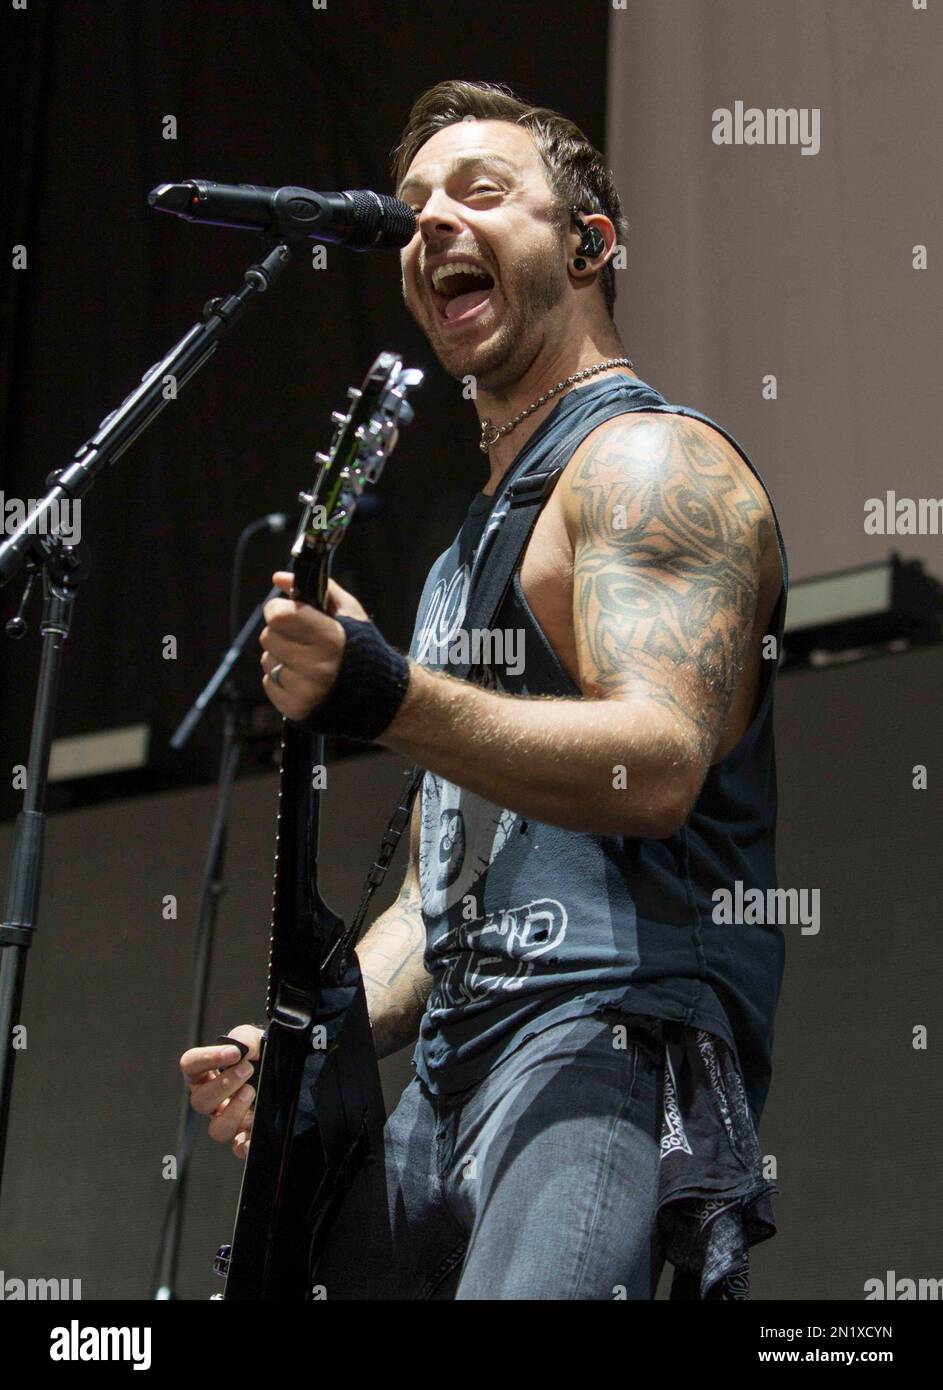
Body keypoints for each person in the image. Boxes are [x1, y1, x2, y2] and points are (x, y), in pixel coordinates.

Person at [180, 80, 788, 1300]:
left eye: (480, 192)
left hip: (596, 1047)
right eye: (411, 209)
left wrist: (388, 696)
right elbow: (440, 890)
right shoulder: (470, 549)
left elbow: (658, 762)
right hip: (450, 1075)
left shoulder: (649, 463)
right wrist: (312, 1040)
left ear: (588, 244)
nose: (430, 224)